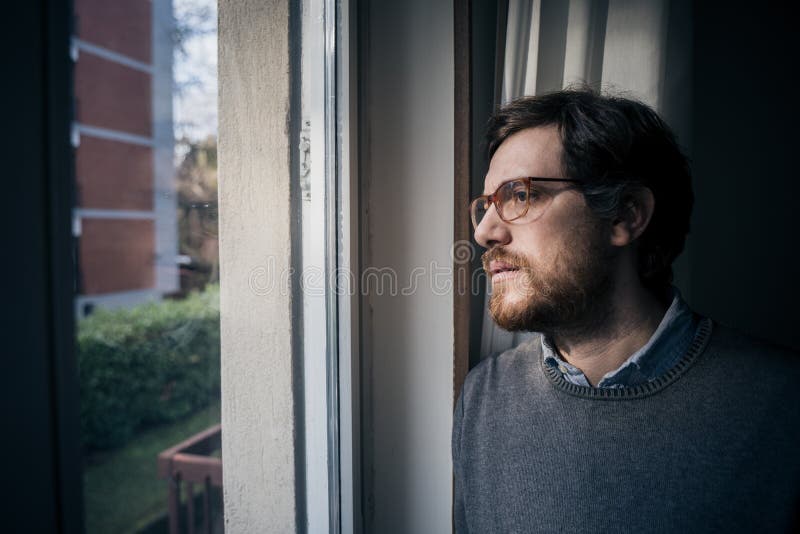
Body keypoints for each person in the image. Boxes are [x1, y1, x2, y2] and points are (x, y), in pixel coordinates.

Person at [452, 87, 800, 533]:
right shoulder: (483, 399)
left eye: (519, 195)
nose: (484, 232)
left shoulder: (782, 409)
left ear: (625, 215)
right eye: (485, 206)